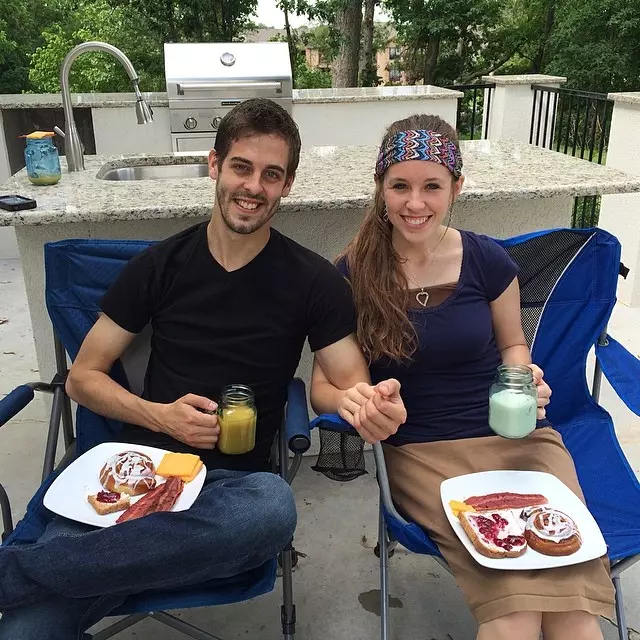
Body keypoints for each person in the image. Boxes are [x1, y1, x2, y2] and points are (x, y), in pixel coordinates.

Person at [0, 98, 407, 640]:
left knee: (271, 509)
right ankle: (66, 571)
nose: (253, 186)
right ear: (214, 165)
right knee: (25, 632)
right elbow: (83, 378)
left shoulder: (313, 282)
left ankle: (20, 572)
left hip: (229, 493)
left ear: (287, 185)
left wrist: (370, 405)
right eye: (241, 166)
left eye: (271, 174)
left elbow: (349, 382)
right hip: (135, 479)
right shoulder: (160, 265)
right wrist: (160, 417)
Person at [311, 115, 614, 640]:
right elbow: (323, 385)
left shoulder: (487, 260)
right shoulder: (352, 273)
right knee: (515, 614)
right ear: (380, 188)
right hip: (425, 453)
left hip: (519, 441)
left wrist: (524, 377)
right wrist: (357, 402)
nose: (415, 203)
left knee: (575, 613)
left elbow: (513, 344)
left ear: (457, 188)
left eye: (433, 186)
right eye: (400, 185)